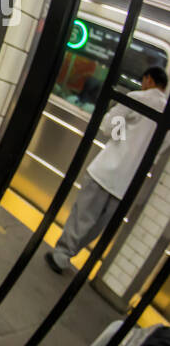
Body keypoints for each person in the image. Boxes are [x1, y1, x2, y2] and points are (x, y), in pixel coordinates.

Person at [46, 65, 169, 273]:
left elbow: (109, 127)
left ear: (148, 80)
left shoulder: (138, 97)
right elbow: (158, 151)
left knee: (82, 216)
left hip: (106, 170)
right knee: (97, 226)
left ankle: (61, 255)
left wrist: (122, 137)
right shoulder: (167, 115)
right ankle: (68, 256)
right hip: (127, 184)